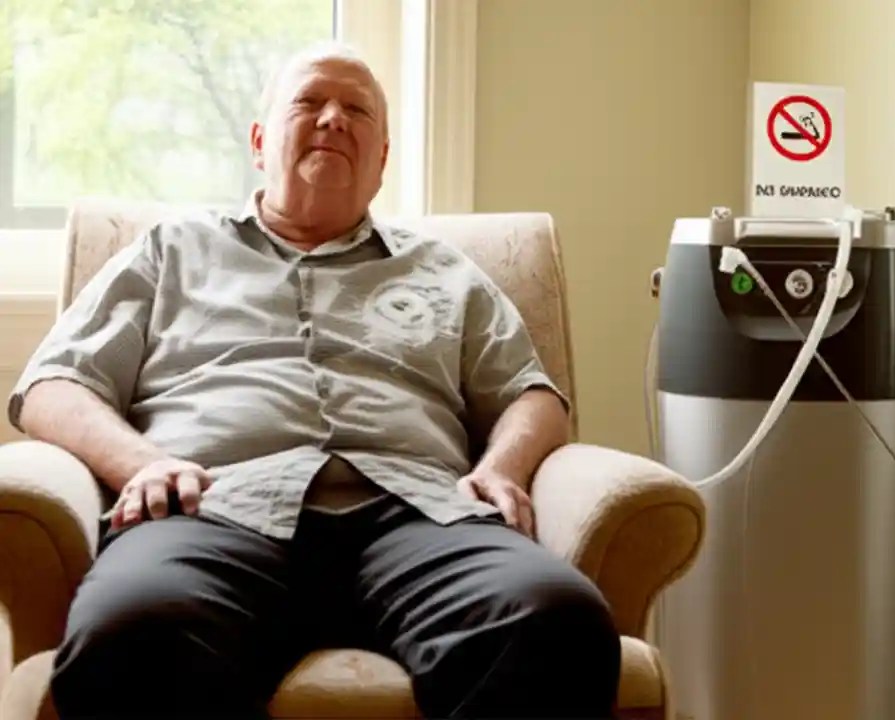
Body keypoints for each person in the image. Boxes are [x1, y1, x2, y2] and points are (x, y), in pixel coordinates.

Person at [7, 42, 620, 719]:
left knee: (555, 617)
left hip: (417, 512)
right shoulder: (170, 251)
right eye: (309, 102)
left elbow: (530, 395)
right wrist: (143, 464)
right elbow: (53, 386)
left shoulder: (444, 272)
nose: (333, 119)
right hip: (212, 509)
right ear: (260, 140)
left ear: (381, 161)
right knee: (131, 631)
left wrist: (502, 468)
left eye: (356, 109)